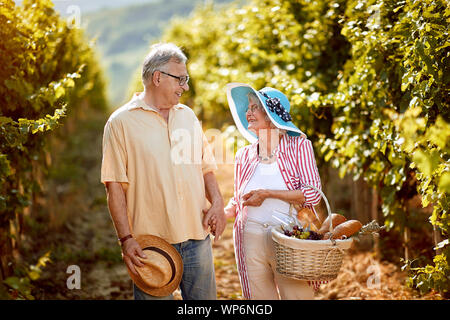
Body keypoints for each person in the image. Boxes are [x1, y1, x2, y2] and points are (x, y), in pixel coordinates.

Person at [101, 43, 226, 300]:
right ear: (158, 77)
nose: (186, 86)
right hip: (151, 246)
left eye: (186, 79)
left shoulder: (187, 116)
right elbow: (114, 187)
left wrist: (217, 202)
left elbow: (205, 167)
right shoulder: (121, 123)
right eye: (181, 79)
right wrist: (126, 239)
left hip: (197, 235)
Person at [222, 83, 323, 300]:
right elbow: (239, 198)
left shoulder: (299, 147)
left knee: (297, 296)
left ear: (271, 114)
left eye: (254, 108)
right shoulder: (244, 155)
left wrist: (268, 193)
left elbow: (313, 193)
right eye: (248, 108)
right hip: (250, 236)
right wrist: (222, 213)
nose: (248, 113)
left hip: (290, 236)